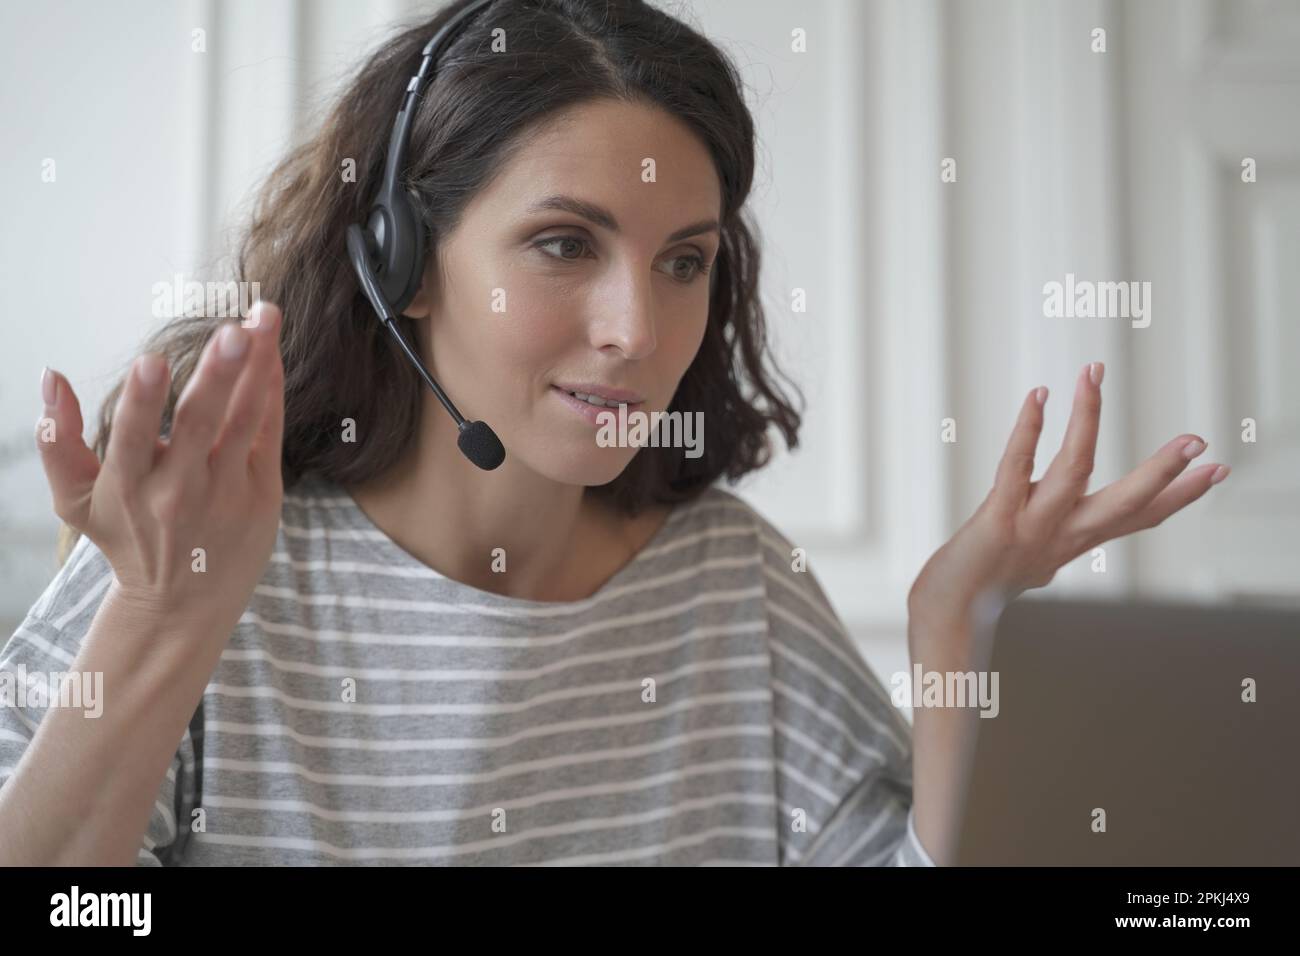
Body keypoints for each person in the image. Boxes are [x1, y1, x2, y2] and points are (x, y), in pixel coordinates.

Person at [0, 0, 1228, 866]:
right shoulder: (196, 547)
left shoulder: (729, 586)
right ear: (402, 263)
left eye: (682, 261)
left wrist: (957, 638)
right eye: (563, 244)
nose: (638, 328)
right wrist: (166, 621)